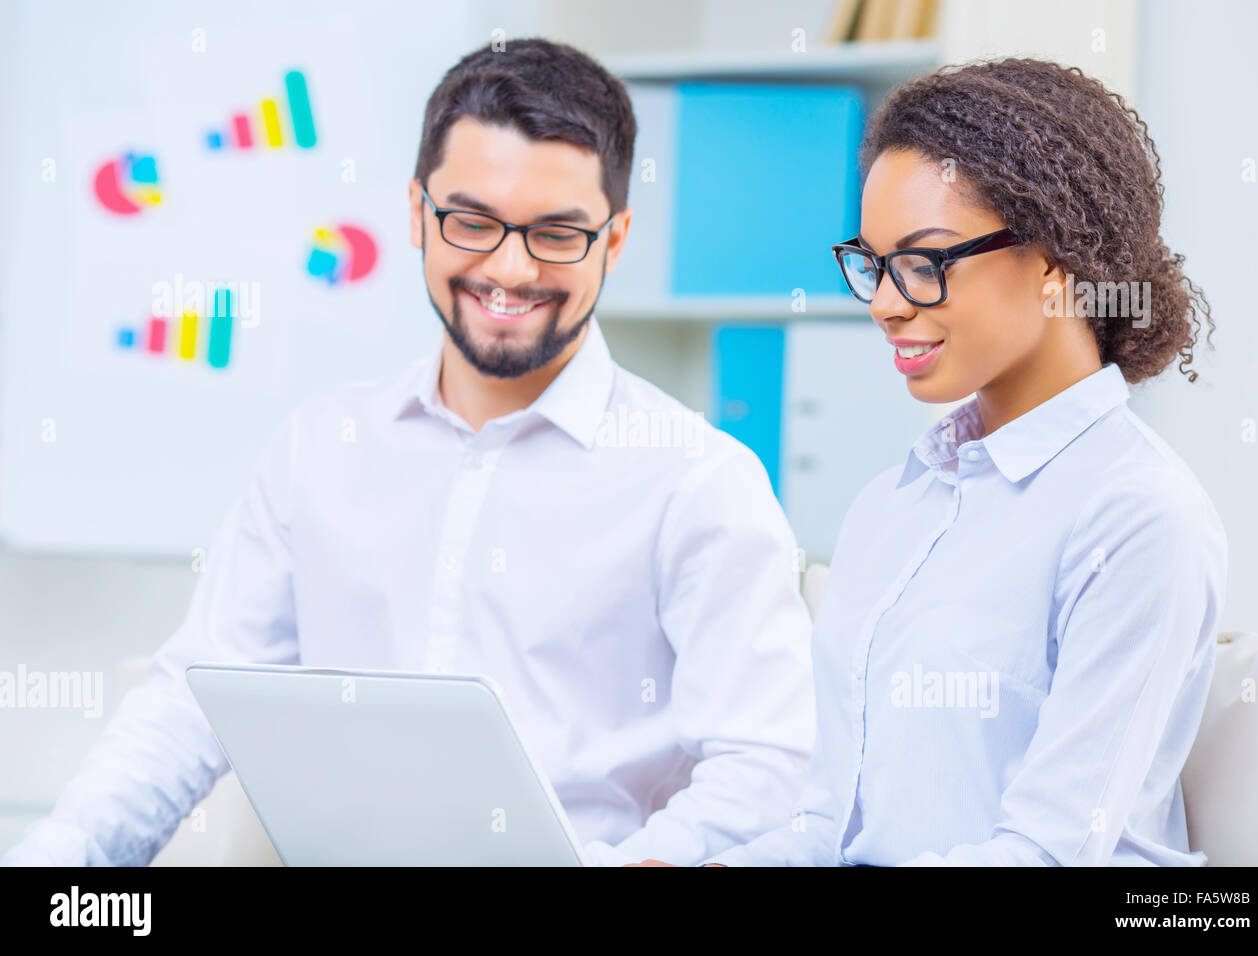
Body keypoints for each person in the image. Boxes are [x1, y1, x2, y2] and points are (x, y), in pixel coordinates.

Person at [1, 38, 814, 868]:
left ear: (614, 239)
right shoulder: (320, 447)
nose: (509, 266)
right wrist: (64, 856)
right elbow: (188, 703)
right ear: (418, 213)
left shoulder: (699, 481)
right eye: (472, 221)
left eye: (558, 233)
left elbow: (767, 771)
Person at [650, 57, 1226, 867]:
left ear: (1056, 262)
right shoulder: (892, 505)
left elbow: (1046, 854)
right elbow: (832, 828)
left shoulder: (1138, 514)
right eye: (874, 264)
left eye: (925, 264)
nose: (886, 302)